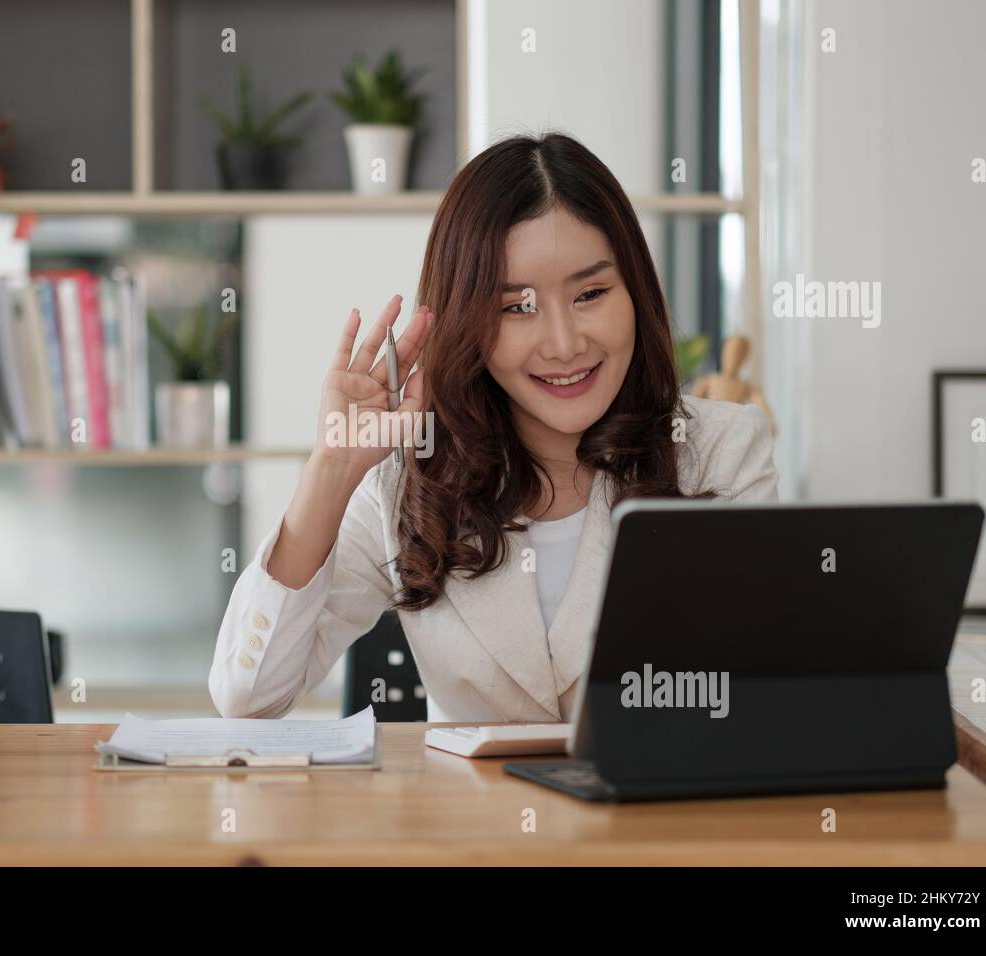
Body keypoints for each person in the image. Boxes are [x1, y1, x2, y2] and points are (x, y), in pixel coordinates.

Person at [210, 131, 778, 723]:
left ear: (634, 291)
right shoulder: (409, 483)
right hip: (475, 818)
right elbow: (249, 698)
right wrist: (331, 469)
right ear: (467, 320)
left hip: (659, 816)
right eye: (517, 307)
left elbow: (757, 698)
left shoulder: (720, 452)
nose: (563, 343)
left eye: (591, 293)